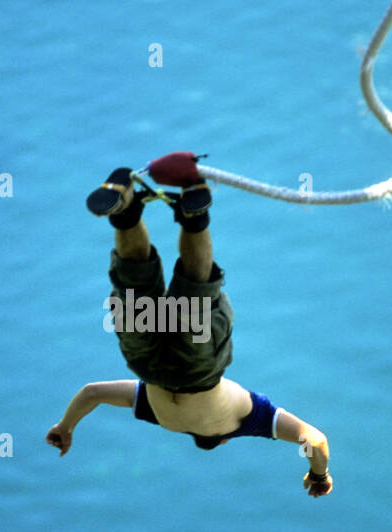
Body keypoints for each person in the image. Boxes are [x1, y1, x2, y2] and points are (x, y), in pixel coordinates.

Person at [45, 166, 333, 498]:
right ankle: (127, 214)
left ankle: (190, 218)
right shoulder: (156, 412)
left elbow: (315, 440)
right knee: (135, 284)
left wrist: (319, 475)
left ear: (222, 439)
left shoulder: (249, 420)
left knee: (195, 293)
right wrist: (65, 427)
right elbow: (92, 393)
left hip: (191, 369)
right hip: (149, 364)